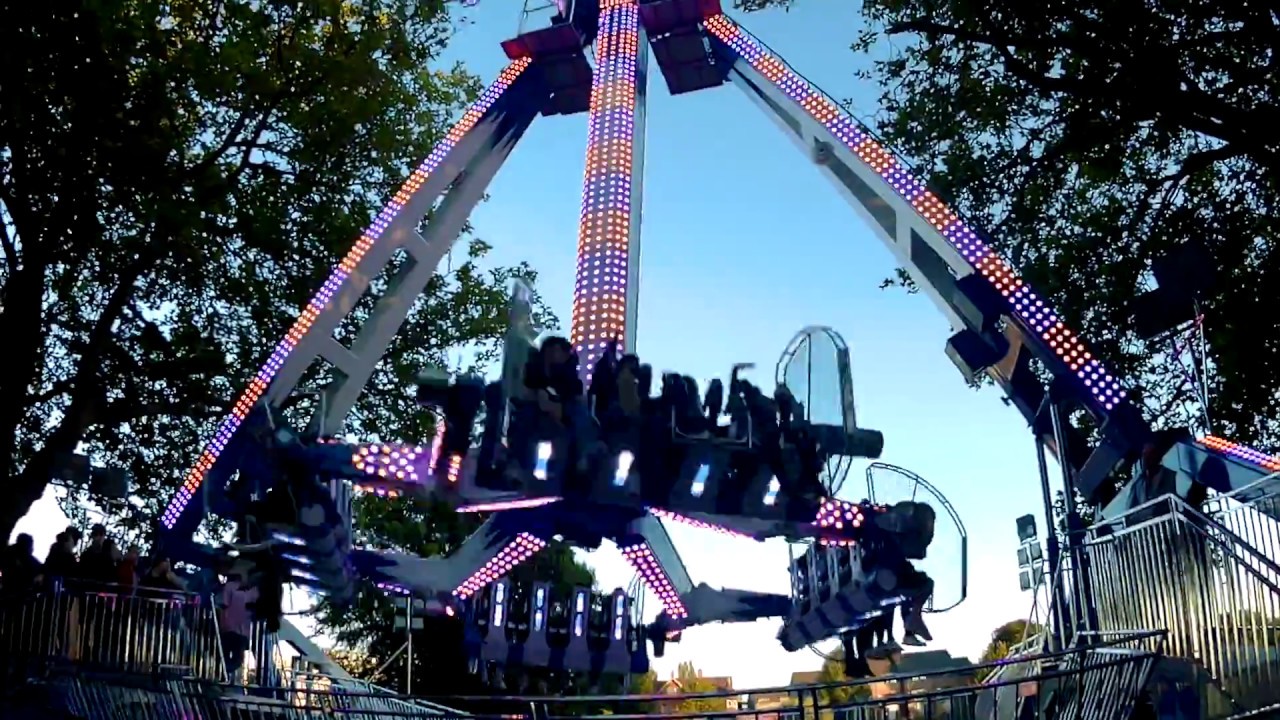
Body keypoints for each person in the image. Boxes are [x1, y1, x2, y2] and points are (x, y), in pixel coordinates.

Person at [218, 571, 260, 679]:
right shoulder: (253, 590)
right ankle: (225, 676)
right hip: (237, 628)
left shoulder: (252, 590)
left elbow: (224, 605)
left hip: (234, 628)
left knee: (231, 657)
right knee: (235, 658)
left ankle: (224, 676)